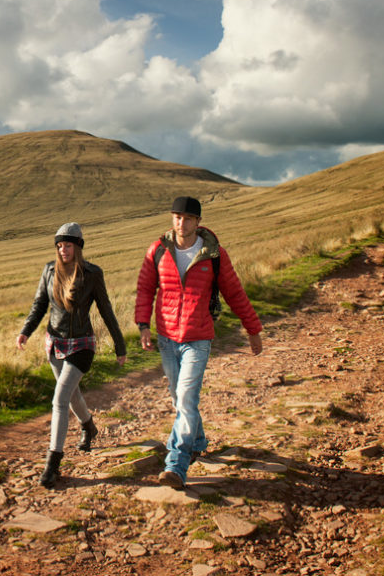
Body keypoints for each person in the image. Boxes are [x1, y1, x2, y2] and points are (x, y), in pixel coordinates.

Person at [134, 196, 263, 489]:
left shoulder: (214, 254)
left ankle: (176, 464)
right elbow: (145, 289)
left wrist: (252, 329)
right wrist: (143, 326)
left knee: (185, 398)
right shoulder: (158, 250)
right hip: (167, 337)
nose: (181, 223)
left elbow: (235, 293)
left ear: (198, 222)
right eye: (177, 217)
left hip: (198, 338)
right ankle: (199, 441)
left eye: (188, 218)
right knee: (180, 398)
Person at [18, 222, 127, 488]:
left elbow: (105, 309)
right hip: (54, 344)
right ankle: (89, 426)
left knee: (60, 399)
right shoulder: (49, 270)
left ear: (78, 247)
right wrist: (26, 331)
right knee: (72, 395)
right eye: (59, 246)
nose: (62, 250)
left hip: (81, 345)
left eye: (67, 245)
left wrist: (119, 344)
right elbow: (39, 305)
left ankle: (52, 464)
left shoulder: (92, 274)